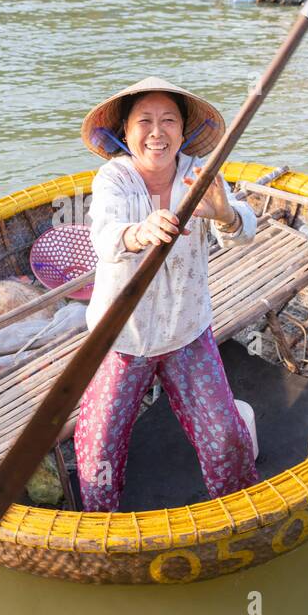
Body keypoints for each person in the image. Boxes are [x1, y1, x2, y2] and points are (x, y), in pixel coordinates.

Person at [75, 76, 261, 512]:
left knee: (225, 439)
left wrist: (225, 214)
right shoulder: (113, 179)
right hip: (120, 339)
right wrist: (140, 233)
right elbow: (104, 237)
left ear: (183, 131)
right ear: (125, 133)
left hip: (186, 333)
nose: (157, 132)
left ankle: (235, 515)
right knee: (97, 453)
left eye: (168, 121)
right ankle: (102, 529)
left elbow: (241, 232)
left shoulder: (199, 173)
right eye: (144, 121)